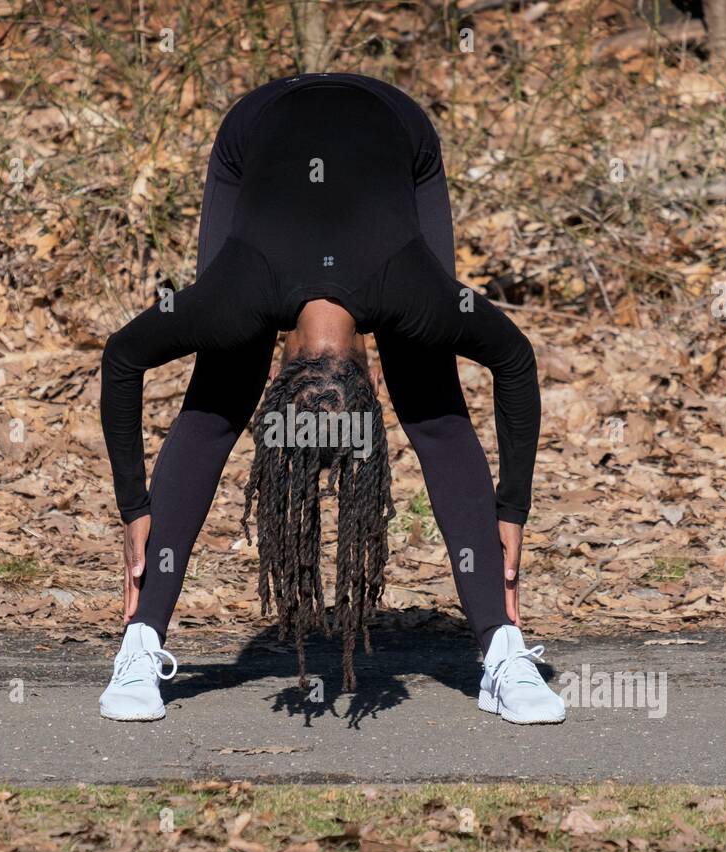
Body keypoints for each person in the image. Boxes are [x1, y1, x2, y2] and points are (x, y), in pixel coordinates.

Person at [99, 73, 564, 725]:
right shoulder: (236, 299)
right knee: (217, 392)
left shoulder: (414, 295)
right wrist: (135, 510)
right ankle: (141, 641)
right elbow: (120, 357)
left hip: (398, 132)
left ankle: (502, 648)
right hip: (256, 134)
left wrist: (509, 512)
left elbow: (516, 358)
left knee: (433, 402)